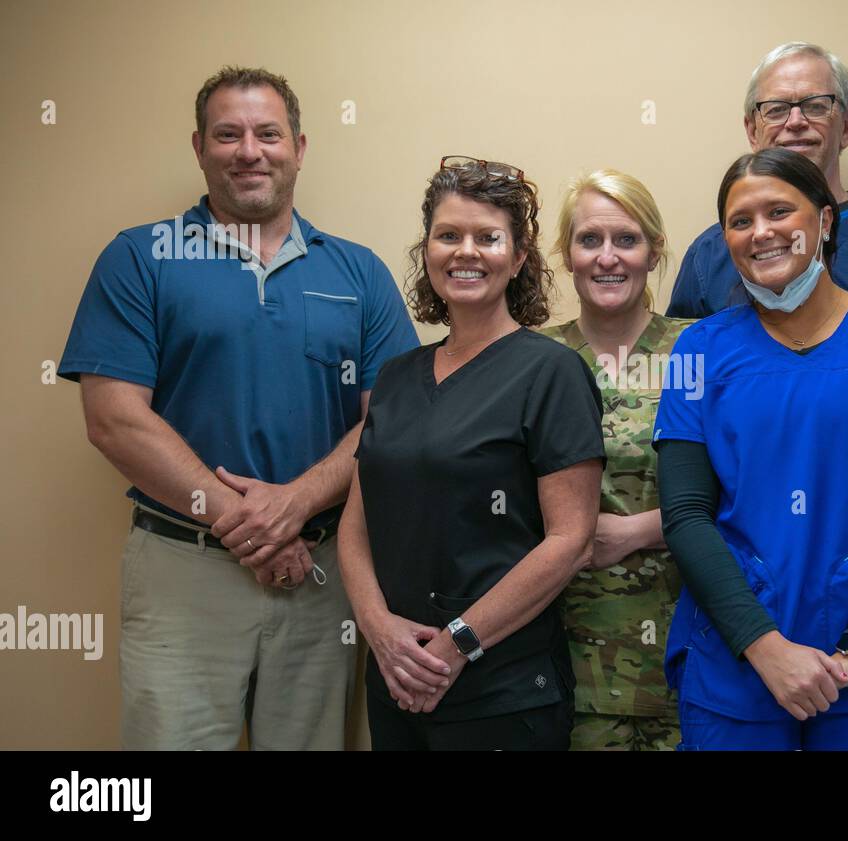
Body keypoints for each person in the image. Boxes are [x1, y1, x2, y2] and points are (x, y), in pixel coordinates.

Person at [57, 66, 419, 749]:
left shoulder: (359, 272)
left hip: (321, 575)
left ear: (300, 147)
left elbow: (389, 420)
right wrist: (247, 523)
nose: (248, 150)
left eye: (267, 133)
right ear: (199, 147)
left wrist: (296, 506)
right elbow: (112, 418)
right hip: (182, 573)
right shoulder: (140, 258)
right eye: (228, 134)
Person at [653, 148, 848, 750]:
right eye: (740, 221)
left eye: (778, 211)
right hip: (736, 658)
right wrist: (763, 647)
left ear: (824, 221)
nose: (761, 232)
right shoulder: (700, 349)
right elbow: (686, 515)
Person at [339, 156, 605, 750]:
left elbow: (571, 540)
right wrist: (379, 630)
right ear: (427, 251)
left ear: (517, 259)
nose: (466, 251)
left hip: (503, 691)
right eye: (448, 235)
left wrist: (458, 642)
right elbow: (356, 524)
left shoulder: (551, 372)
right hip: (397, 679)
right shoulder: (396, 377)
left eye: (488, 238)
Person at [540, 170, 692, 750]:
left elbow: (756, 487)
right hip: (569, 662)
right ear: (567, 255)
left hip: (689, 656)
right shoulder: (533, 360)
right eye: (589, 240)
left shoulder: (701, 351)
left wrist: (636, 531)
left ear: (654, 252)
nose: (608, 258)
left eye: (626, 240)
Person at [666, 41, 848, 319]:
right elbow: (684, 359)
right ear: (753, 131)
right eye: (776, 109)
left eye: (815, 106)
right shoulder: (709, 255)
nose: (795, 121)